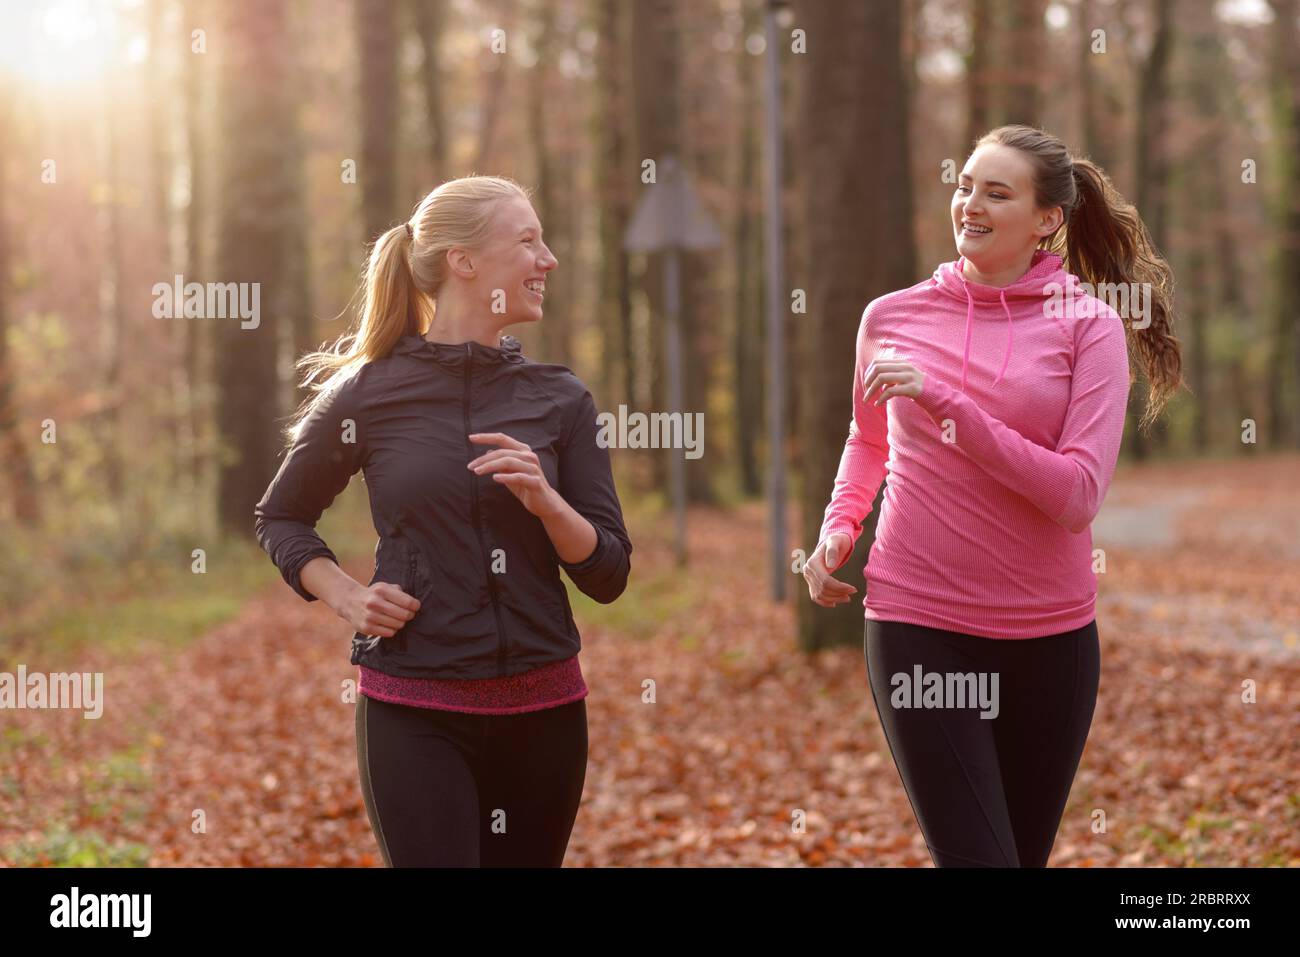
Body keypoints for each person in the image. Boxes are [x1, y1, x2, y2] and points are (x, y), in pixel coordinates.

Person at [802, 125, 1184, 867]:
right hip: (919, 623)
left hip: (1051, 640)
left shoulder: (1090, 329)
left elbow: (1076, 494)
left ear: (1047, 220)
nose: (969, 204)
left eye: (996, 192)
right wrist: (838, 528)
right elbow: (869, 439)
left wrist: (951, 405)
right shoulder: (891, 318)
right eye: (965, 185)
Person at [253, 175, 632, 867]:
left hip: (545, 712)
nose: (547, 259)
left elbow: (608, 572)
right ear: (463, 261)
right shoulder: (368, 393)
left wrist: (549, 503)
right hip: (413, 707)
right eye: (527, 240)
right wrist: (346, 595)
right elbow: (282, 516)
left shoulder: (561, 399)